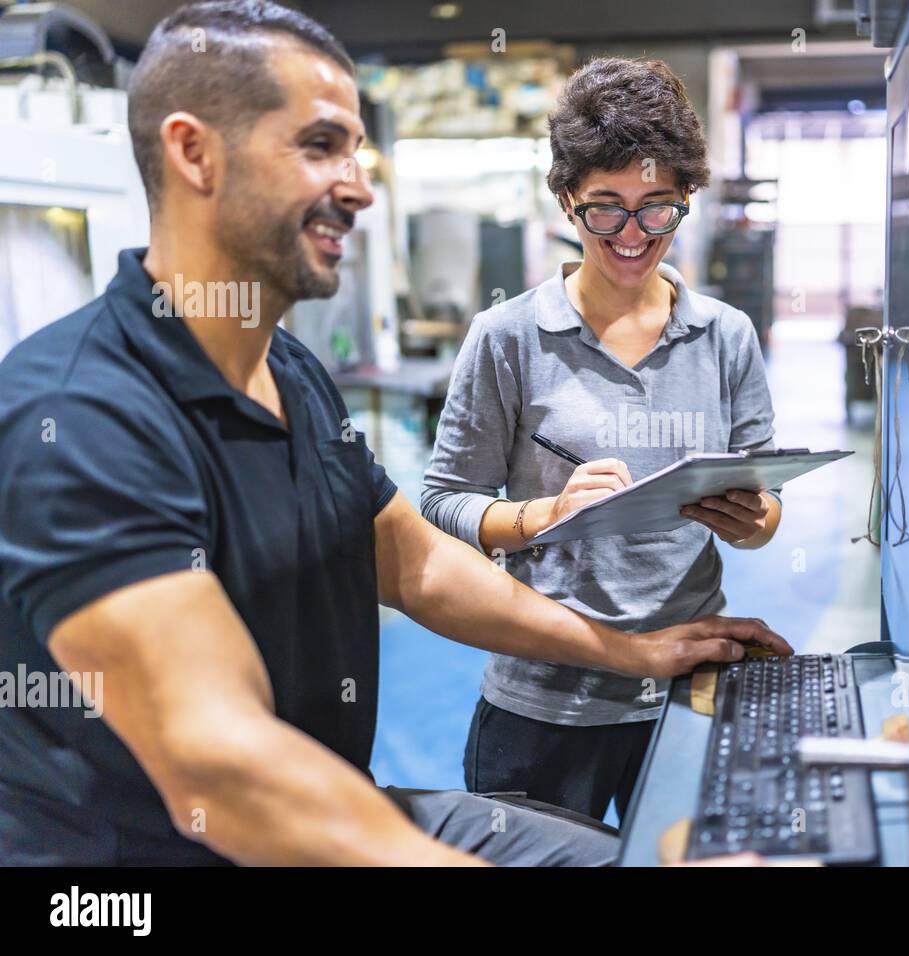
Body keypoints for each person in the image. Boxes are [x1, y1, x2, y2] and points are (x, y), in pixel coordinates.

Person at [0, 0, 789, 866]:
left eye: (356, 150)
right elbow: (222, 773)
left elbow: (415, 564)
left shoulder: (291, 377)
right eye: (319, 146)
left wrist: (636, 651)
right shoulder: (85, 416)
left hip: (335, 792)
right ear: (194, 153)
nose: (361, 187)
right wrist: (537, 522)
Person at [422, 57, 783, 822]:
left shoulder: (726, 336)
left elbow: (766, 499)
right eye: (605, 209)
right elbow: (441, 501)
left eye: (657, 208)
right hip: (544, 705)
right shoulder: (508, 337)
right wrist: (539, 516)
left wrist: (758, 518)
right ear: (565, 200)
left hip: (686, 690)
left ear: (686, 196)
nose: (632, 234)